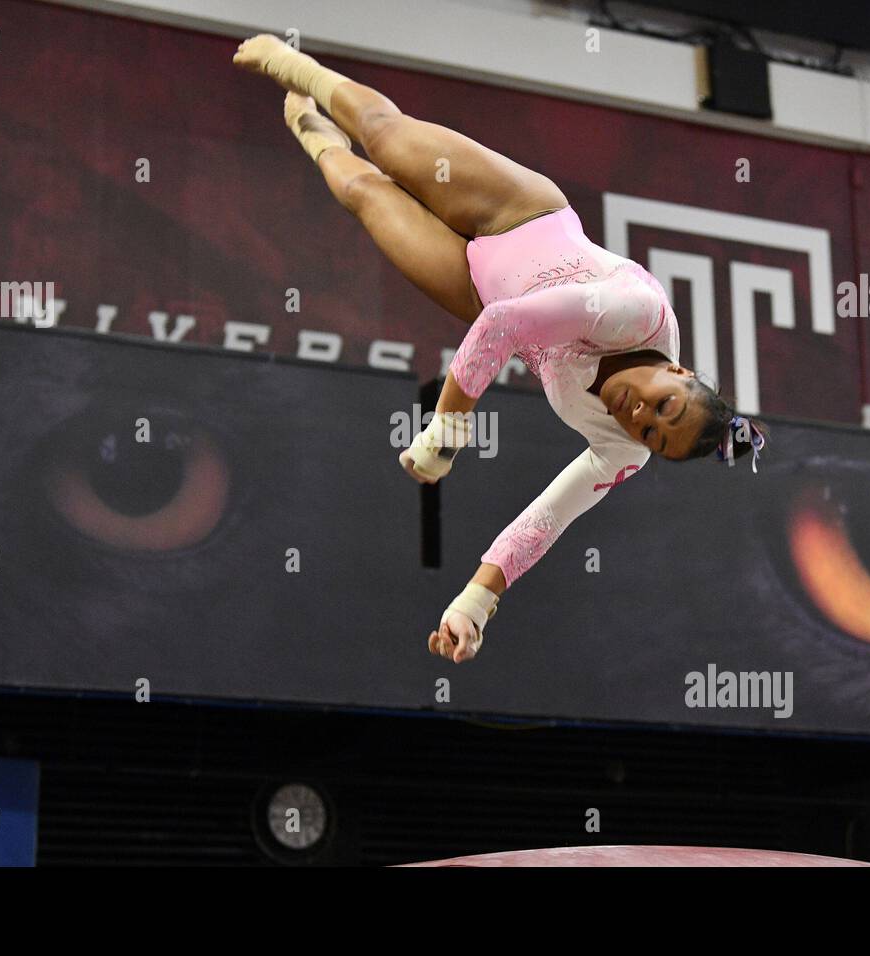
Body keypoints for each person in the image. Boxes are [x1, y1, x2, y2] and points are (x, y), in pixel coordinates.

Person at [233, 34, 767, 663]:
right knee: (384, 135)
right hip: (516, 214)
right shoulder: (637, 315)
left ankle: (312, 132)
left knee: (366, 195)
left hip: (477, 292)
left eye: (652, 435)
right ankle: (297, 66)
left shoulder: (620, 451)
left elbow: (546, 520)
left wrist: (472, 606)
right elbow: (509, 325)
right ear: (676, 371)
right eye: (664, 407)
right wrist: (447, 430)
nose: (639, 418)